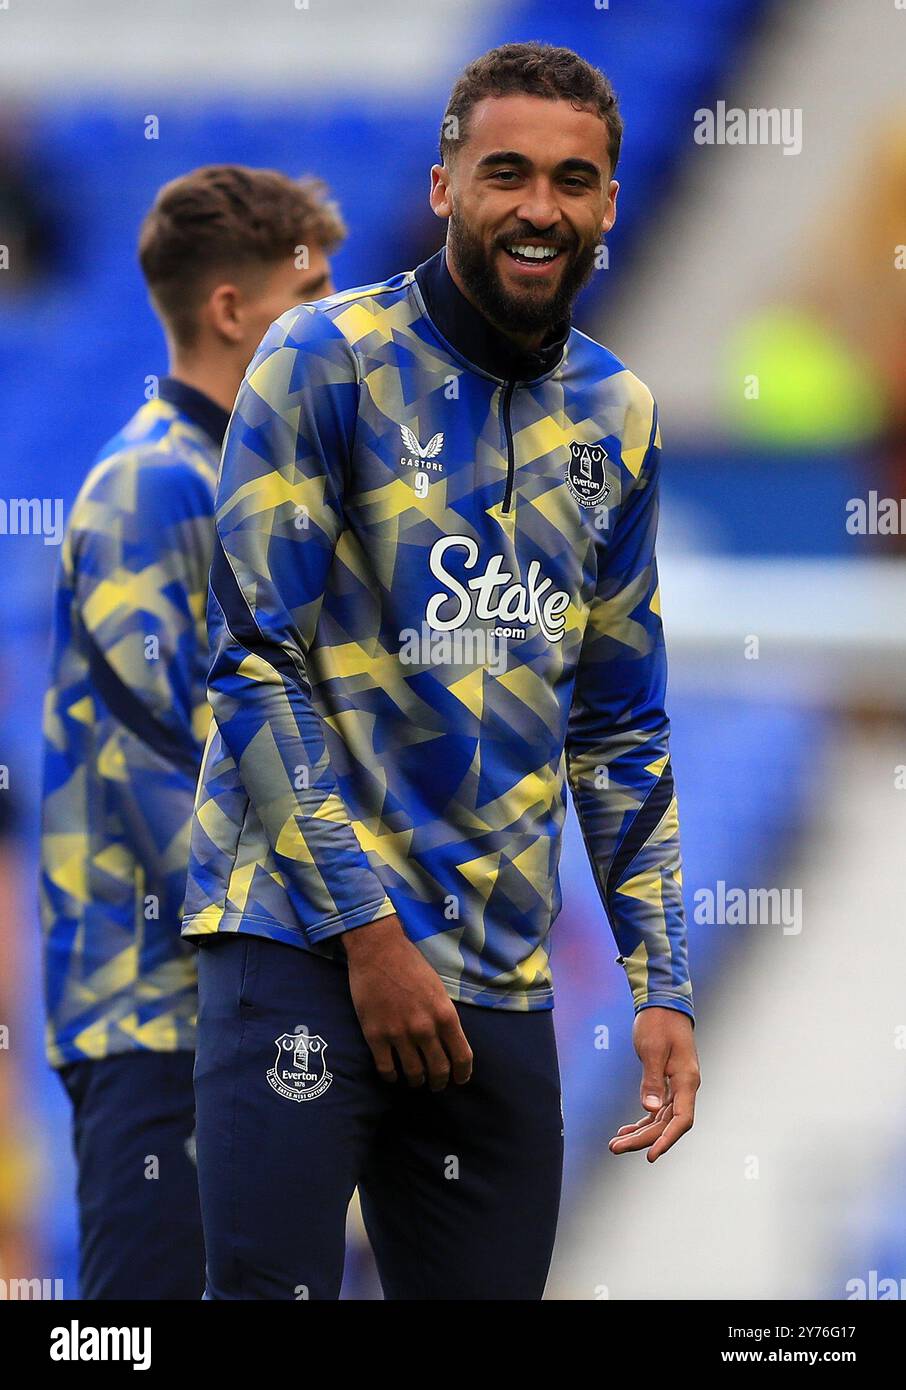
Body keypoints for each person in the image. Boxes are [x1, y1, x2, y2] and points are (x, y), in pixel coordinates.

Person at [184, 43, 701, 1302]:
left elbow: (619, 722)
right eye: (506, 172)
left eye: (573, 180)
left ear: (609, 206)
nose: (540, 207)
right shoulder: (326, 362)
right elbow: (252, 666)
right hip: (302, 939)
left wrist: (662, 982)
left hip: (493, 978)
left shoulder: (619, 415)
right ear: (442, 186)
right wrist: (368, 934)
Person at [40, 164, 344, 1299]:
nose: (334, 323)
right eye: (309, 295)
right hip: (157, 1018)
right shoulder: (147, 488)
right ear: (231, 310)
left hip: (246, 1011)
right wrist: (321, 951)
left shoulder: (259, 484)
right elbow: (158, 771)